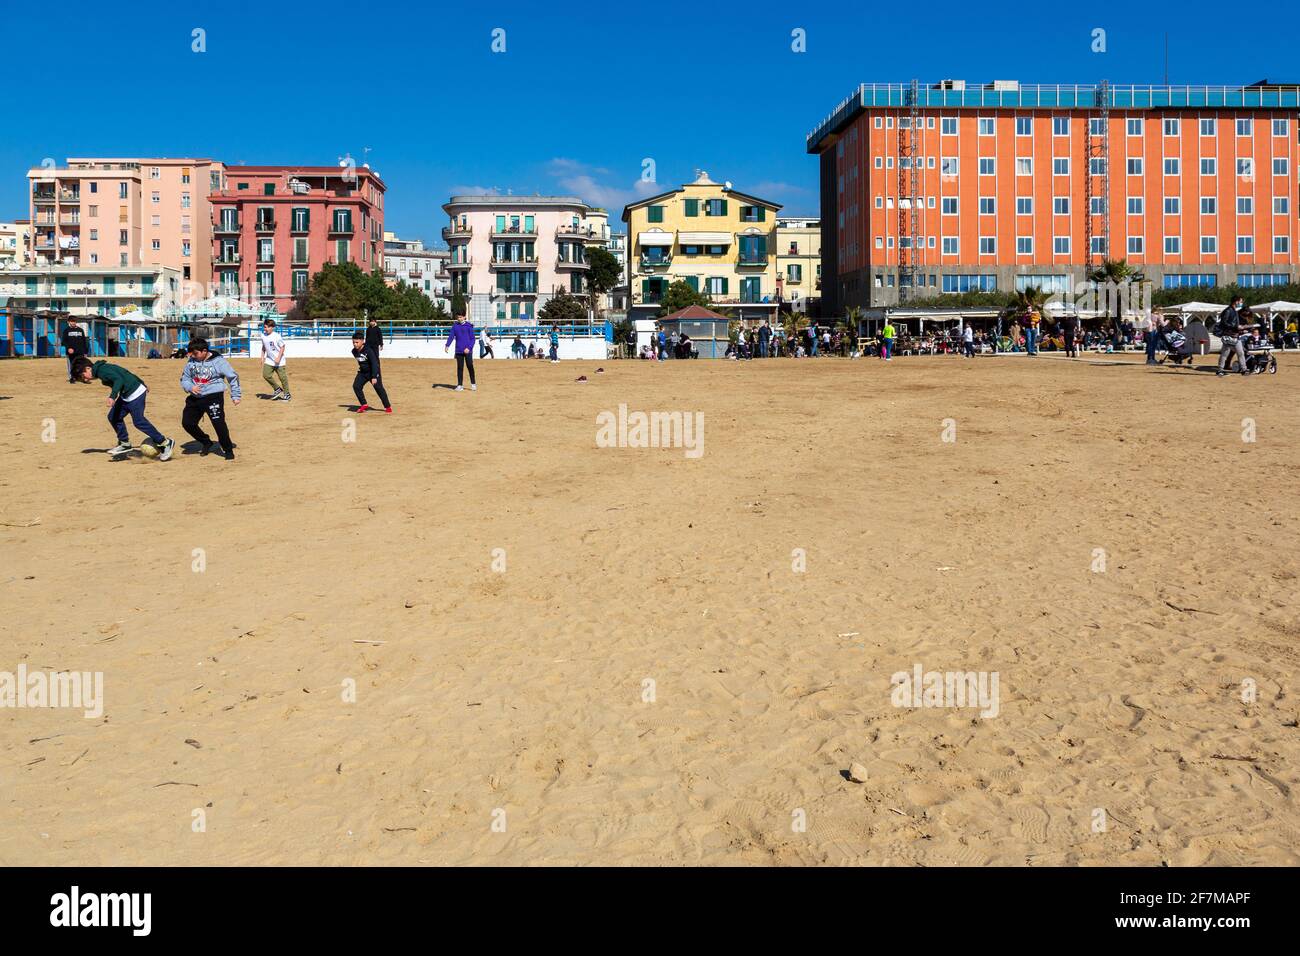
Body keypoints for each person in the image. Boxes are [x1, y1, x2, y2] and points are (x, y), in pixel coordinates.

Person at [72, 357, 175, 460]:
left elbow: (119, 379)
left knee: (139, 421)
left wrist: (112, 396)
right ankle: (124, 443)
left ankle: (164, 443)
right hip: (127, 395)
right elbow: (125, 373)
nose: (85, 379)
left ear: (87, 368)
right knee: (113, 416)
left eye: (83, 376)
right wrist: (142, 382)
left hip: (135, 394)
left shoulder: (102, 371)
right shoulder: (102, 369)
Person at [180, 337, 241, 459]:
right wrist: (190, 387)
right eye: (192, 353)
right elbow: (184, 379)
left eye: (196, 353)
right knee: (187, 423)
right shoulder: (191, 362)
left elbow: (232, 377)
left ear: (204, 351)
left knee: (218, 424)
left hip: (214, 397)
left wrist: (235, 395)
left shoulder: (219, 362)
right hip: (195, 397)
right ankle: (206, 441)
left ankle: (228, 449)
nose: (193, 356)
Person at [350, 331, 392, 412]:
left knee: (379, 388)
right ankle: (364, 404)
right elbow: (361, 362)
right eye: (353, 342)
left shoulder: (368, 350)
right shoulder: (354, 351)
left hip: (373, 371)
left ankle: (387, 406)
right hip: (363, 372)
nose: (355, 344)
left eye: (357, 342)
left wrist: (374, 376)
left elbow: (374, 363)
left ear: (362, 341)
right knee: (356, 386)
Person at [1215, 296, 1248, 377]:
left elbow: (1233, 324)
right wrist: (1235, 327)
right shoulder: (1228, 311)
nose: (1241, 303)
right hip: (1228, 336)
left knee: (1240, 352)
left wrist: (1240, 329)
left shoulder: (1234, 311)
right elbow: (1224, 323)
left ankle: (1244, 369)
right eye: (1240, 301)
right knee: (1225, 353)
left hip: (1235, 336)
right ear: (1236, 302)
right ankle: (1220, 370)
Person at [259, 318, 291, 401]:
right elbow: (264, 346)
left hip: (279, 361)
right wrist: (262, 357)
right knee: (266, 375)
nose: (266, 329)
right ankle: (277, 389)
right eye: (265, 327)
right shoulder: (263, 336)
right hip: (269, 360)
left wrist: (278, 358)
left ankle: (287, 394)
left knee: (282, 378)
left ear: (272, 327)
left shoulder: (277, 336)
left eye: (267, 327)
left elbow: (282, 347)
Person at [445, 313, 477, 390]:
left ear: (464, 317)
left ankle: (473, 384)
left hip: (468, 351)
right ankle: (460, 385)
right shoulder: (455, 326)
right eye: (458, 317)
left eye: (460, 317)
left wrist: (469, 348)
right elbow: (451, 336)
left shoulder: (469, 326)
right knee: (460, 367)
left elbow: (473, 339)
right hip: (459, 350)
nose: (459, 318)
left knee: (470, 366)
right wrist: (447, 345)